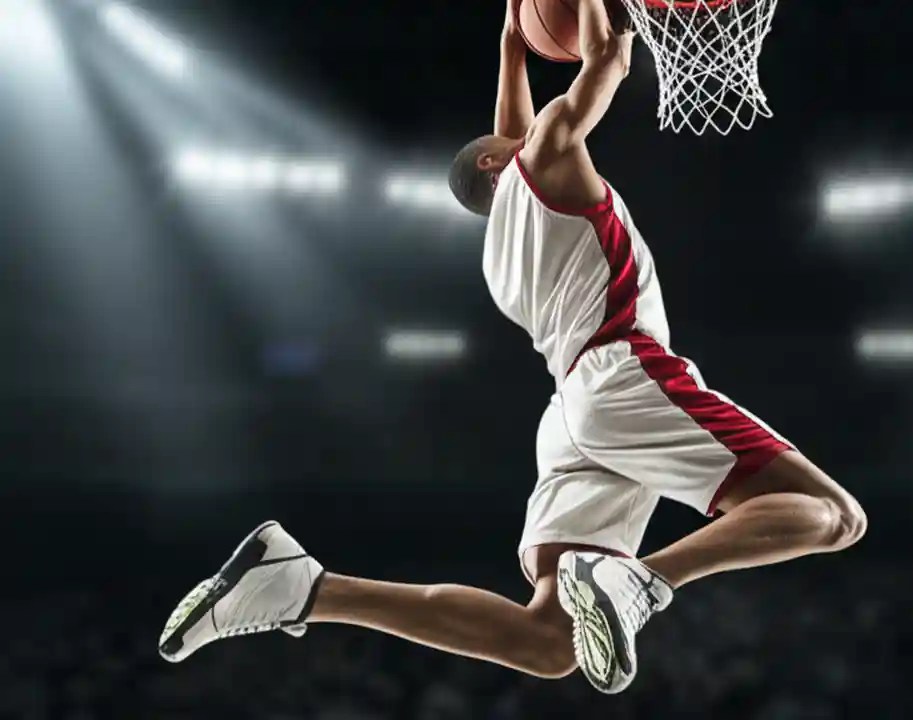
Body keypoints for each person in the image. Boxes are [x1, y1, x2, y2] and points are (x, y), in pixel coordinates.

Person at [158, 0, 866, 695]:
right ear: (501, 160)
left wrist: (513, 35)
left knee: (550, 643)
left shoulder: (503, 243)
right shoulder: (551, 149)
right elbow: (610, 59)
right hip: (626, 373)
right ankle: (646, 582)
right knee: (835, 517)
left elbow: (513, 120)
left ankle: (304, 588)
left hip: (576, 412)